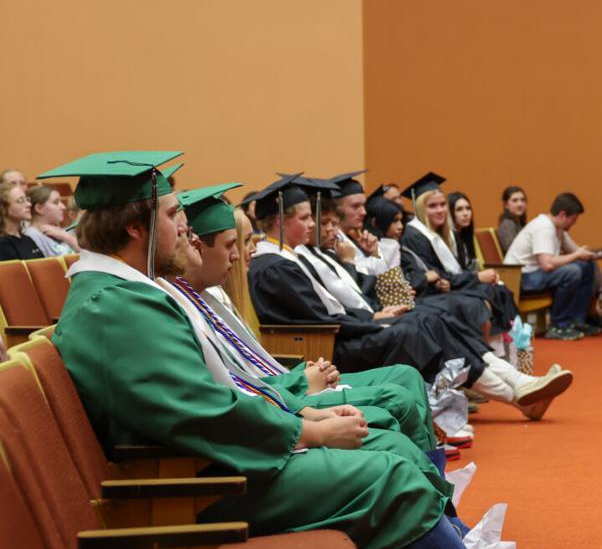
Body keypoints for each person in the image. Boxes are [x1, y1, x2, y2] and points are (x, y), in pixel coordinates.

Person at [42, 150, 602, 549]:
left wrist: (300, 421)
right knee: (387, 474)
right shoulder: (116, 305)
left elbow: (207, 401)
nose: (184, 227)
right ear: (136, 226)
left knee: (393, 437)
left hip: (217, 459)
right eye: (172, 215)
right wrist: (305, 428)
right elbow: (203, 413)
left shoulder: (125, 293)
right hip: (199, 483)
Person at [160, 183, 440, 465]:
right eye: (237, 243)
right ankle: (431, 479)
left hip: (282, 384)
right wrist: (300, 382)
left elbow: (248, 365)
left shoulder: (211, 294)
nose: (245, 253)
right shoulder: (181, 300)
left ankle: (432, 464)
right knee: (396, 396)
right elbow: (235, 385)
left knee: (407, 371)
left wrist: (297, 375)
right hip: (309, 362)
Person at [248, 176, 570, 420]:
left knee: (430, 318)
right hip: (330, 348)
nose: (313, 224)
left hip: (344, 332)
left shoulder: (293, 256)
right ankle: (518, 395)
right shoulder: (274, 267)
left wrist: (375, 316)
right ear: (280, 221)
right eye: (305, 218)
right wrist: (375, 321)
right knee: (418, 326)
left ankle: (519, 385)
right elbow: (319, 321)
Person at [503, 193, 602, 341]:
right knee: (572, 271)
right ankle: (558, 325)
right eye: (573, 219)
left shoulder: (558, 229)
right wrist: (576, 256)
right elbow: (547, 264)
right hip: (520, 278)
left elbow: (579, 253)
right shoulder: (544, 227)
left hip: (534, 274)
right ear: (563, 215)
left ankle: (577, 321)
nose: (574, 223)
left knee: (586, 266)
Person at [26, 184, 81, 256]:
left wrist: (66, 237)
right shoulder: (32, 236)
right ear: (39, 208)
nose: (63, 207)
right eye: (56, 202)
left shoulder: (60, 233)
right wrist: (66, 237)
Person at [0, 180, 44, 261]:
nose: (29, 204)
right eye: (20, 201)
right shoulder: (2, 244)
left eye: (27, 199)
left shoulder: (28, 240)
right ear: (3, 208)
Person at [449, 191, 482, 270]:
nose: (466, 213)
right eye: (459, 209)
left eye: (468, 208)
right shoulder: (449, 239)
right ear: (449, 213)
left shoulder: (465, 236)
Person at [496, 186, 528, 256]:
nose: (520, 204)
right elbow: (513, 251)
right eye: (515, 200)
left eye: (522, 200)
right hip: (514, 266)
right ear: (506, 205)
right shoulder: (506, 224)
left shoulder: (519, 222)